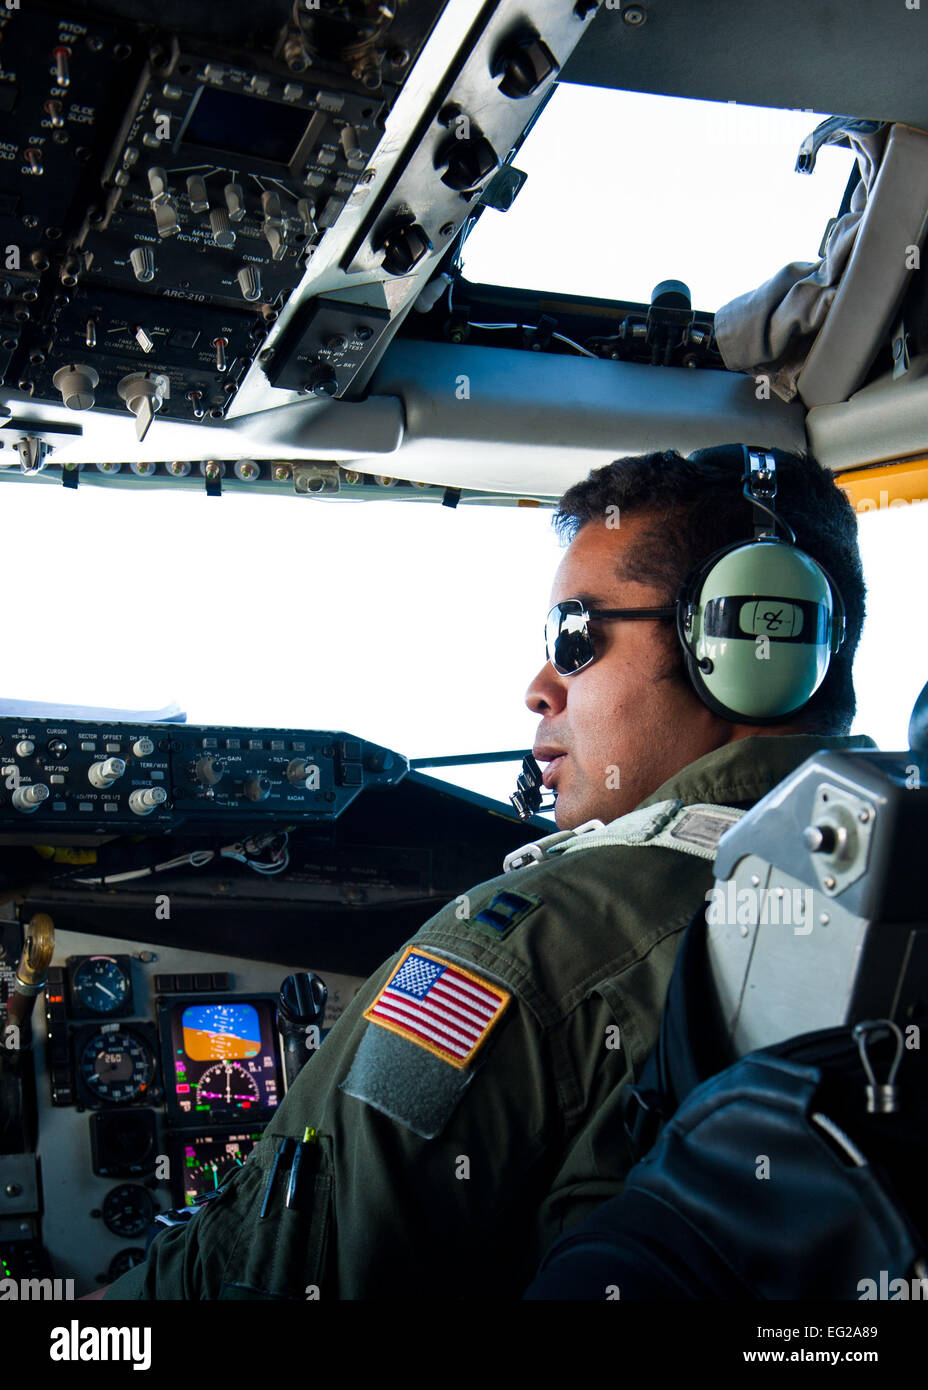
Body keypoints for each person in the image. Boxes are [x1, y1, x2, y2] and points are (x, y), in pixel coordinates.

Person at [99, 442, 874, 1300]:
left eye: (574, 636)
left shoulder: (537, 943)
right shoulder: (879, 890)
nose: (539, 688)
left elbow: (286, 1272)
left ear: (745, 638)